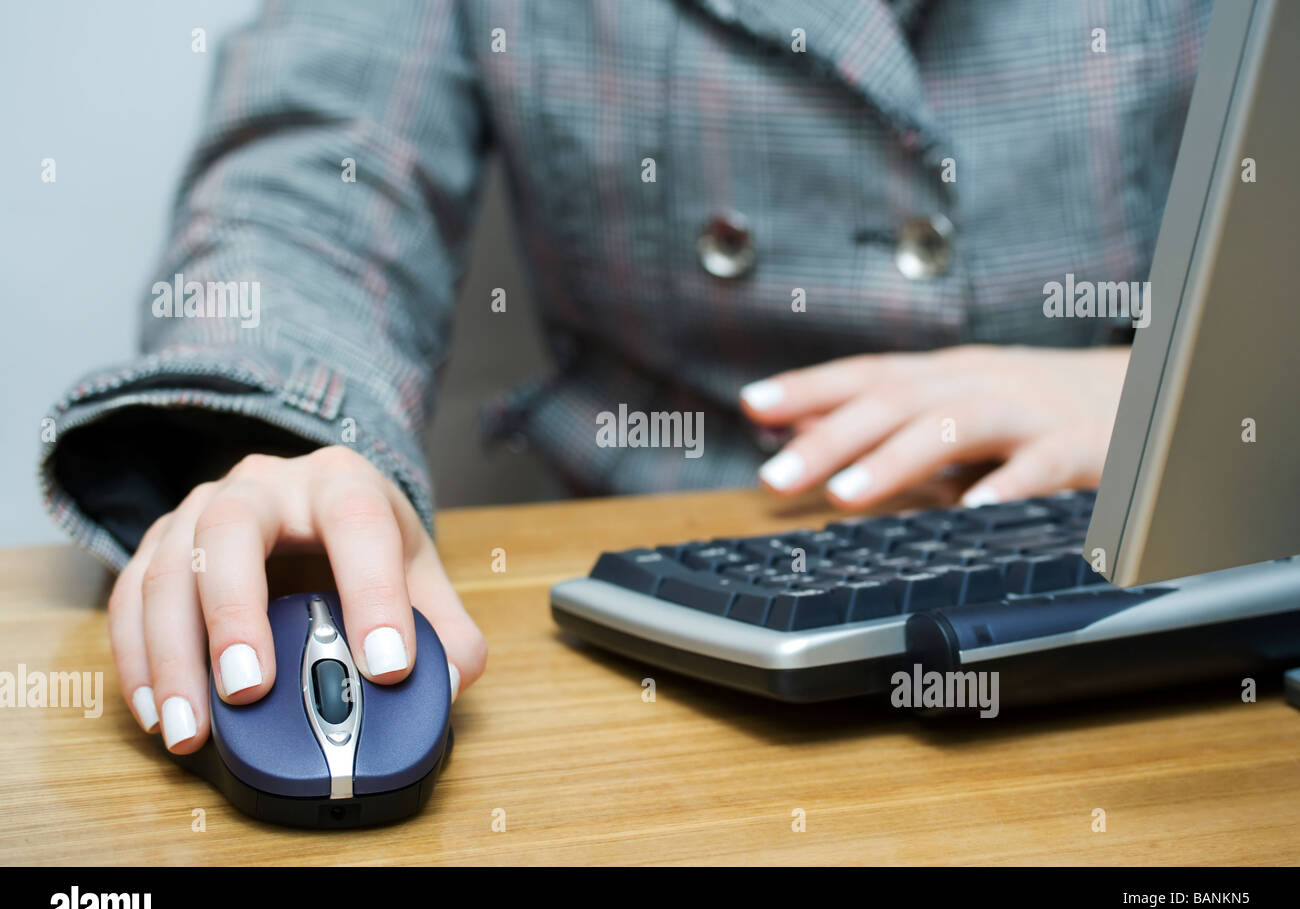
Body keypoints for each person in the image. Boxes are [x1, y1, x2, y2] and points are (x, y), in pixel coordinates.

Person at [39, 0, 1212, 752]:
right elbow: (315, 186)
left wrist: (1197, 393)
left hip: (1170, 605)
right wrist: (296, 456)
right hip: (650, 659)